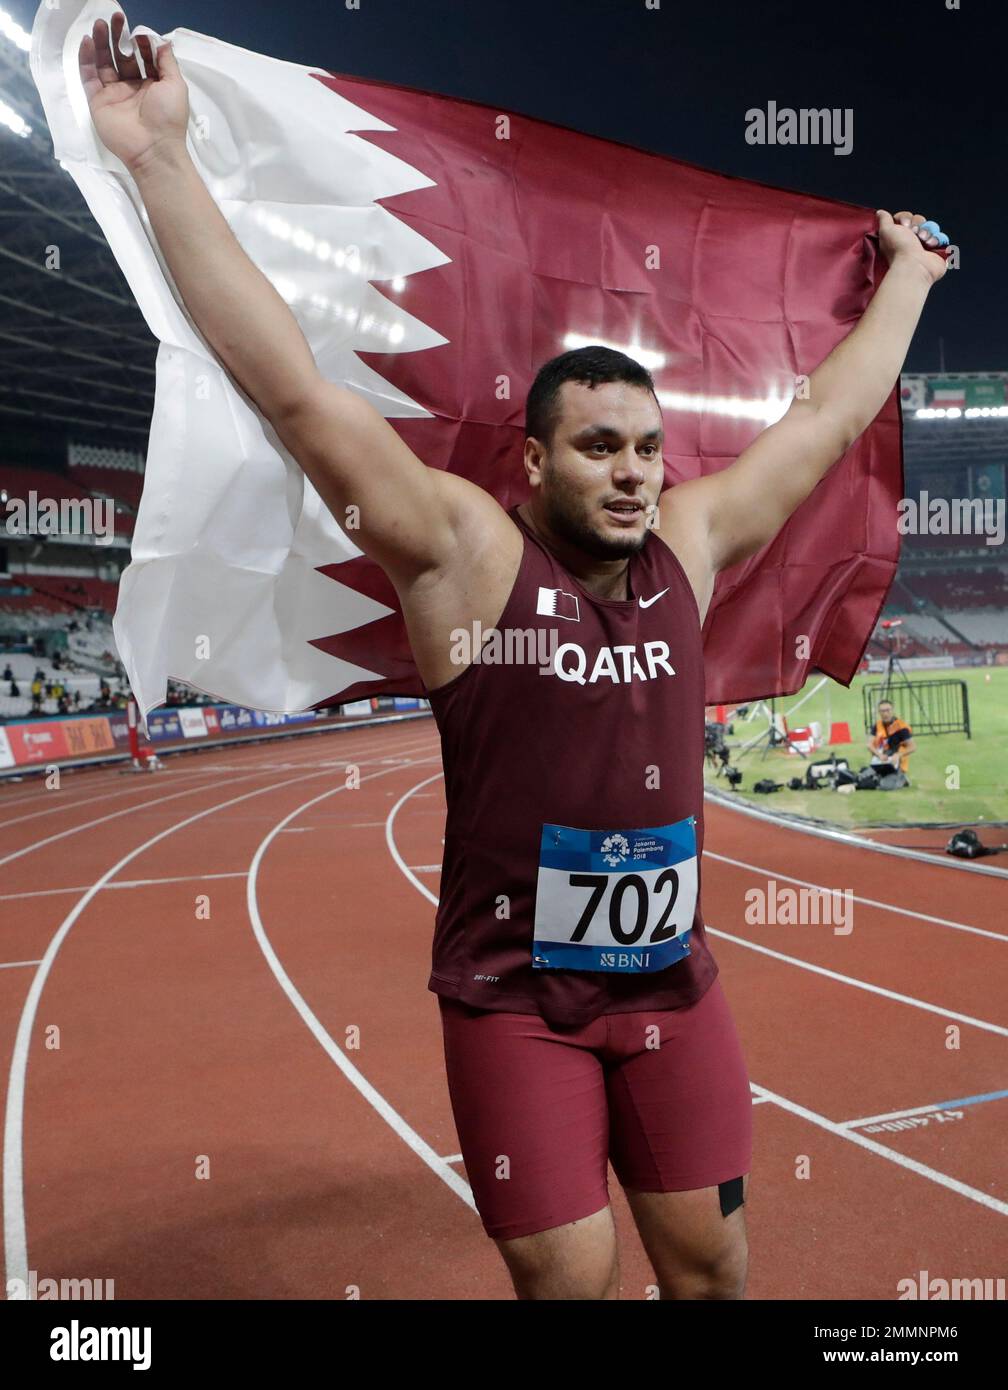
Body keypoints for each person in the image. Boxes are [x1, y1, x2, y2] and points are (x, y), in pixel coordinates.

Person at [79, 14, 950, 1300]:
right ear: (536, 462)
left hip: (674, 985)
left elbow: (822, 421)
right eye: (601, 447)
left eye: (648, 447)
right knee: (572, 1283)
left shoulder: (691, 546)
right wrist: (158, 161)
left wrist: (914, 284)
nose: (636, 472)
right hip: (512, 1002)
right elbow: (302, 395)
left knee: (714, 1270)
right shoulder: (467, 559)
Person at [866, 699, 915, 782]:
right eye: (882, 711)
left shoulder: (901, 727)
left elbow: (913, 747)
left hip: (897, 761)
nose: (885, 713)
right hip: (882, 759)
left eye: (888, 710)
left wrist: (898, 755)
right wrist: (879, 755)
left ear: (892, 711)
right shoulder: (877, 725)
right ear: (879, 712)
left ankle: (902, 778)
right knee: (866, 779)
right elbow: (869, 745)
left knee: (885, 785)